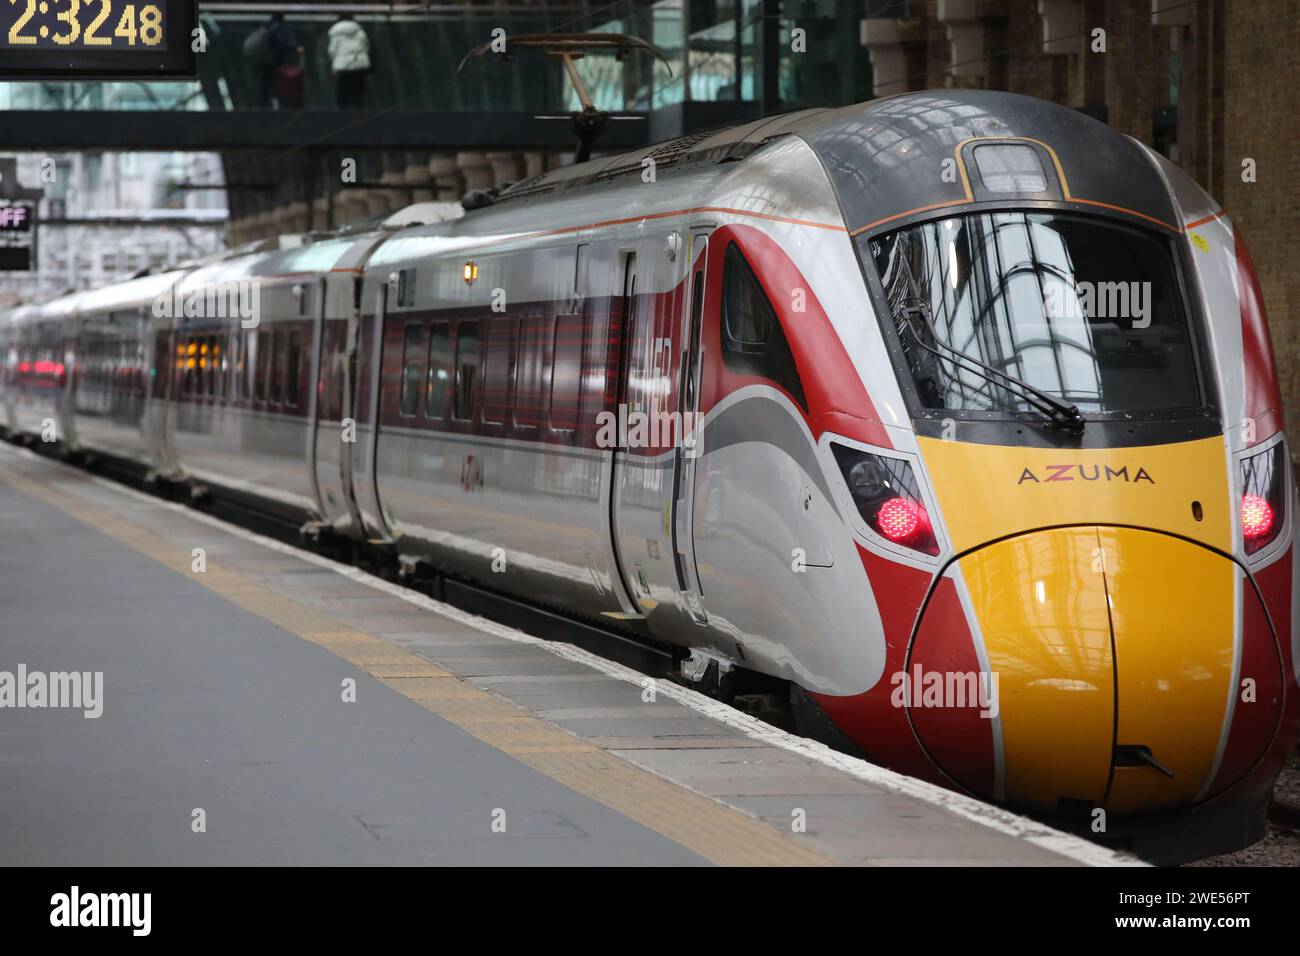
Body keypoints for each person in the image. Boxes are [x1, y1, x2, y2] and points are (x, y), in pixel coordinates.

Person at [244, 13, 297, 108]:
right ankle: (276, 106)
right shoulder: (278, 28)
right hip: (272, 61)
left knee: (265, 83)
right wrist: (293, 49)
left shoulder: (265, 26)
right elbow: (280, 45)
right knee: (275, 85)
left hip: (262, 60)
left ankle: (262, 105)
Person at [327, 14, 371, 109]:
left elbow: (332, 51)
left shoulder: (336, 34)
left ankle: (342, 115)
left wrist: (333, 63)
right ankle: (359, 113)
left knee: (342, 93)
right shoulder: (360, 32)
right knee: (358, 93)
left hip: (343, 66)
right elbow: (366, 47)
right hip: (359, 64)